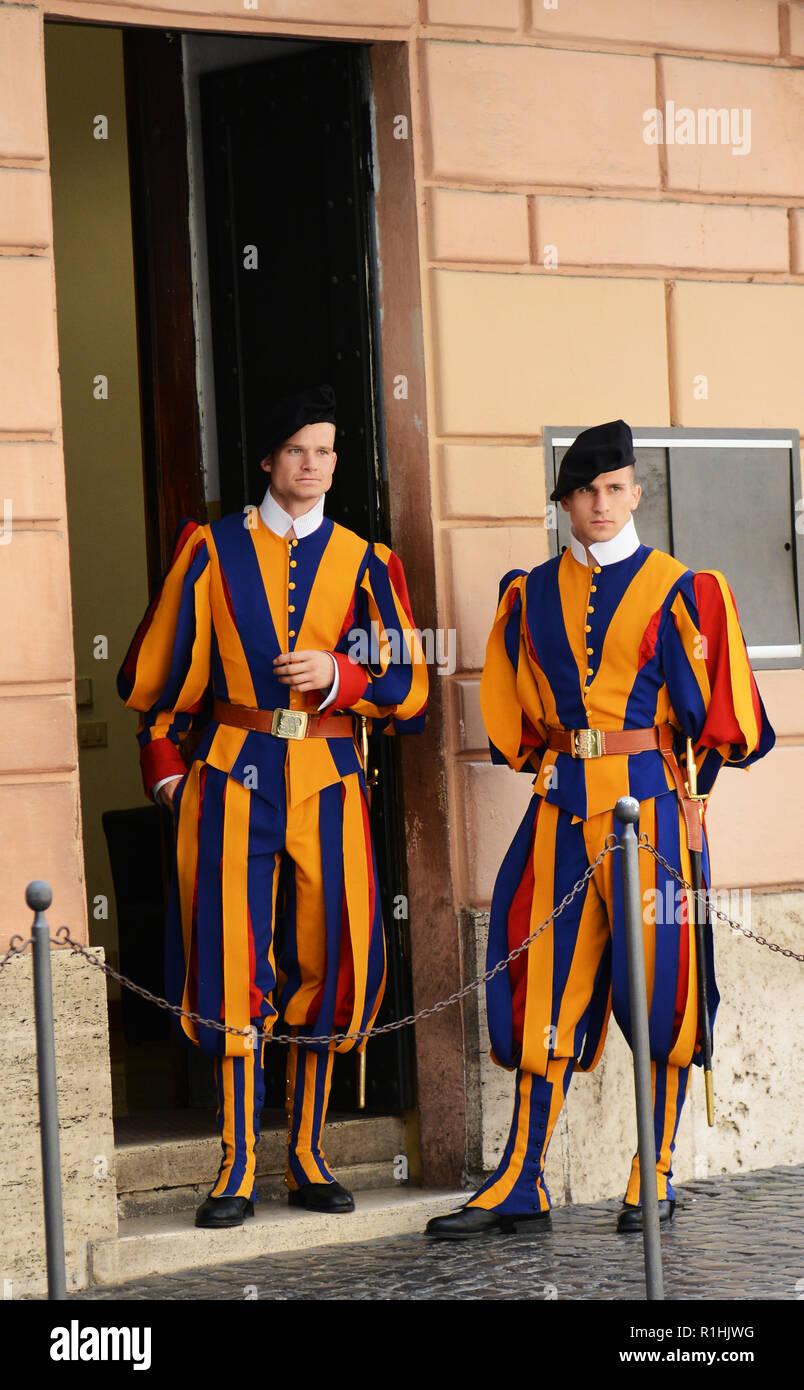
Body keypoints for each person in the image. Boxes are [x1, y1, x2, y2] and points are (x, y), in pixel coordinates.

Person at [426, 419, 774, 1240]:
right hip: (562, 808)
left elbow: (726, 723)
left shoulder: (685, 590)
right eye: (584, 491)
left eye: (615, 488)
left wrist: (690, 798)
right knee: (543, 983)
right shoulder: (530, 593)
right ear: (565, 501)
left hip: (652, 812)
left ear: (636, 493)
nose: (600, 504)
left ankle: (651, 1173)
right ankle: (521, 1180)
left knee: (661, 986)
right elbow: (516, 725)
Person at [118, 384, 428, 1228]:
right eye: (298, 449)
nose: (314, 464)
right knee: (228, 958)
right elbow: (158, 676)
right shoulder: (211, 551)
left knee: (329, 961)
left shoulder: (368, 561)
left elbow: (408, 685)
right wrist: (165, 771)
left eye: (326, 450)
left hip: (327, 775)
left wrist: (342, 675)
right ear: (267, 460)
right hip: (230, 770)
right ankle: (237, 1164)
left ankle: (307, 1154)